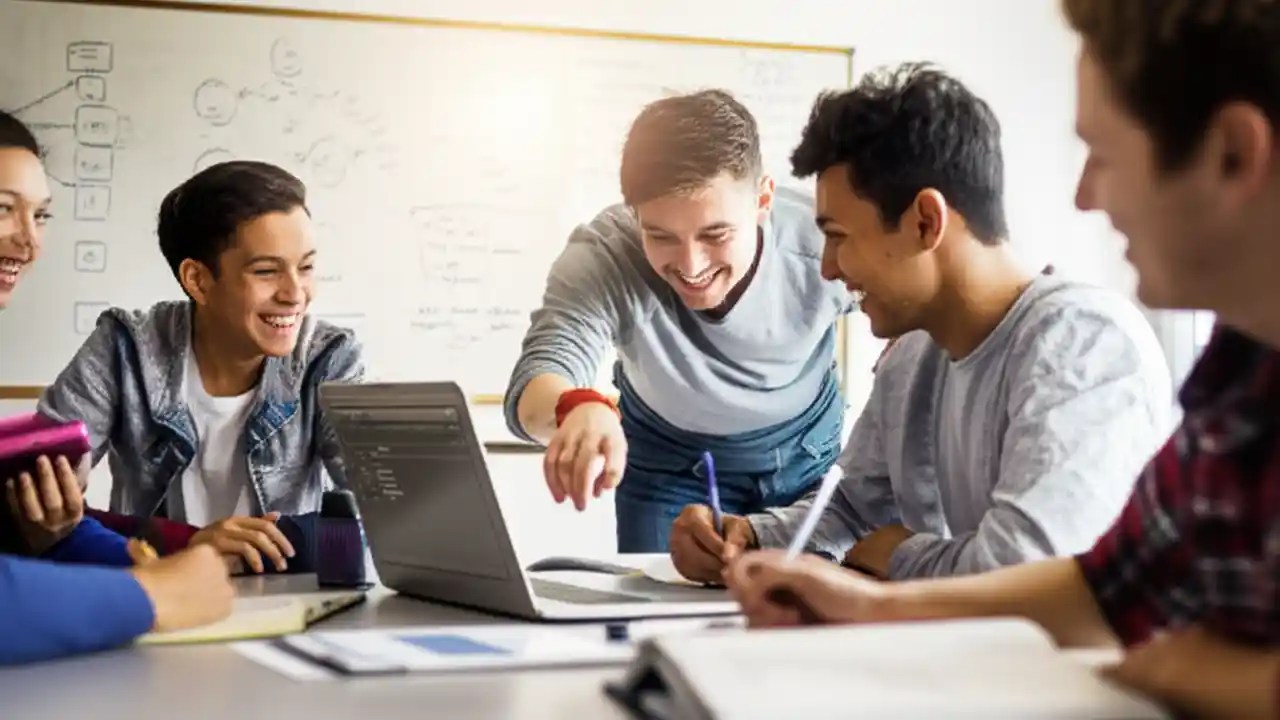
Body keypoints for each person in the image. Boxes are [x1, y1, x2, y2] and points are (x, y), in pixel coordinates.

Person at [726, 2, 1280, 717]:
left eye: (1105, 156)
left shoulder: (1084, 340)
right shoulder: (1240, 373)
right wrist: (865, 604)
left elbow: (1113, 621)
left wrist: (1193, 671)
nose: (1084, 196)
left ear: (1233, 154)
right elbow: (1107, 592)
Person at [670, 64, 1171, 584]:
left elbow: (1028, 569)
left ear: (926, 222)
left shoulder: (1086, 345)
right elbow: (853, 510)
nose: (828, 268)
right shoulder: (913, 354)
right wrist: (749, 539)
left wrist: (901, 557)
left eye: (838, 236)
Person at [505, 90, 853, 552]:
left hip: (808, 457)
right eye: (661, 236)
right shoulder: (606, 253)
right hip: (667, 466)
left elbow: (912, 304)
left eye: (716, 234)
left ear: (763, 199)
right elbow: (540, 375)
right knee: (660, 596)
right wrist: (579, 408)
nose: (691, 266)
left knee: (813, 596)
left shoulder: (824, 238)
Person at [33, 160, 364, 573]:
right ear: (198, 279)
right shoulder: (125, 347)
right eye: (266, 271)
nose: (295, 293)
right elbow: (34, 502)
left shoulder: (329, 357)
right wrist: (184, 543)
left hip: (285, 593)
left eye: (306, 267)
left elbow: (385, 512)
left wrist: (260, 547)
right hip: (158, 590)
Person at [0, 109, 233, 665]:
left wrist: (50, 532)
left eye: (42, 215)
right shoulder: (126, 342)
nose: (29, 242)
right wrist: (151, 595)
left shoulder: (327, 355)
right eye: (2, 209)